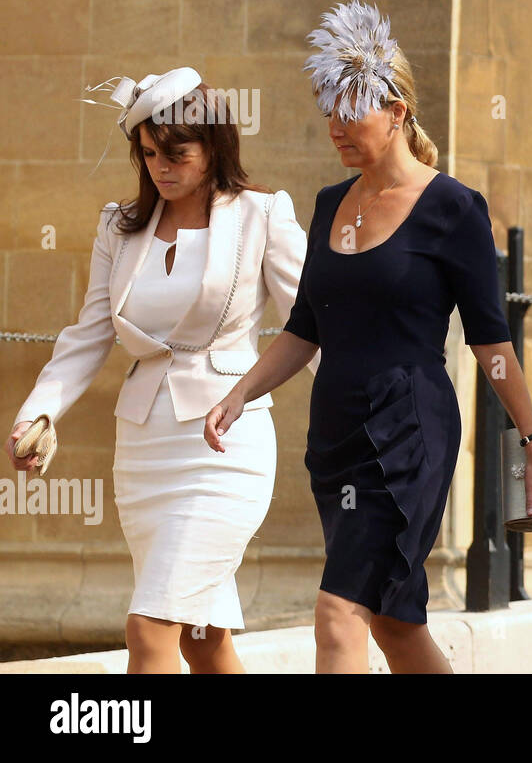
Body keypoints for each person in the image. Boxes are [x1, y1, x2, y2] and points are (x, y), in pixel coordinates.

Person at [204, 0, 532, 674]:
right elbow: (304, 329)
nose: (334, 125)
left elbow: (492, 343)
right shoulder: (325, 205)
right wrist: (239, 392)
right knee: (396, 624)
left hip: (408, 436)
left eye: (351, 108)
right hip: (334, 438)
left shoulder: (453, 208)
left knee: (339, 613)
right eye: (327, 109)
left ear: (396, 110)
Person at [6, 69, 309, 673]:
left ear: (214, 147)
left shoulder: (262, 215)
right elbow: (88, 335)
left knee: (148, 630)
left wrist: (365, 409)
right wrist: (37, 410)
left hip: (225, 447)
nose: (159, 168)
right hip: (144, 451)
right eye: (147, 154)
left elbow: (317, 323)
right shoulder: (118, 227)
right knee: (202, 639)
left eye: (176, 154)